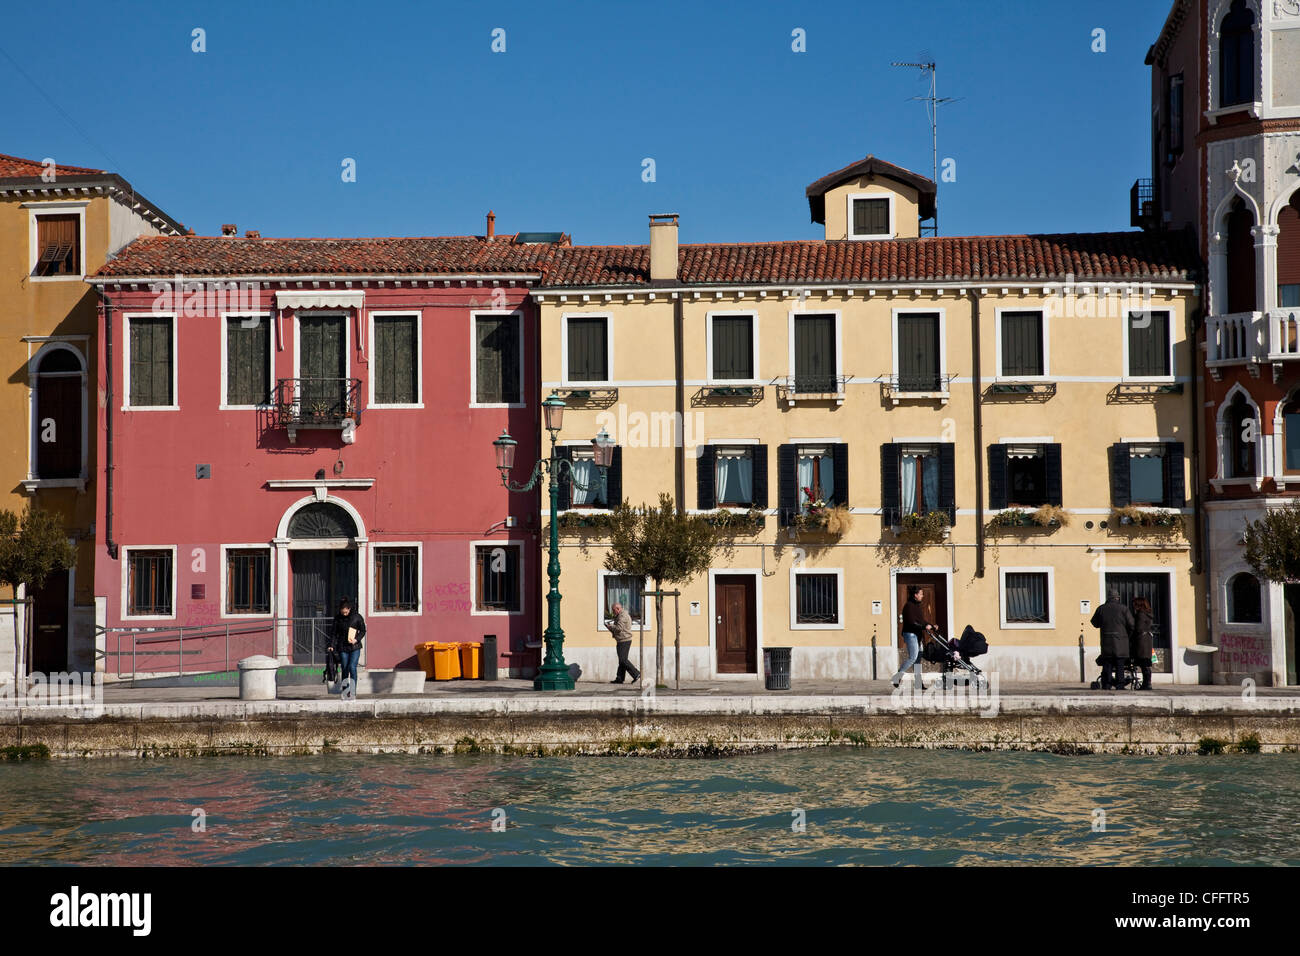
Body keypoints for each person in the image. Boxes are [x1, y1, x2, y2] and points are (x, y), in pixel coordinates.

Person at [1090, 589, 1133, 690]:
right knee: (1120, 664)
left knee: (1107, 664)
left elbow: (1094, 623)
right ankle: (1120, 684)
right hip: (1121, 642)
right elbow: (1132, 625)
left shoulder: (1101, 608)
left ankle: (1107, 684)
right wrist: (1127, 636)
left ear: (1108, 598)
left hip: (1106, 641)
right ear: (1117, 598)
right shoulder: (1124, 609)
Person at [893, 586, 935, 690]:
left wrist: (932, 625)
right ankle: (896, 678)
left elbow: (921, 621)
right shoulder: (909, 606)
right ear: (915, 595)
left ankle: (918, 684)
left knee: (917, 660)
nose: (922, 595)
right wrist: (924, 626)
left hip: (918, 635)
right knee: (913, 657)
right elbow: (912, 623)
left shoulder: (917, 606)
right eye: (920, 594)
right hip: (910, 634)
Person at [327, 598, 366, 698]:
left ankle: (353, 691)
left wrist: (356, 639)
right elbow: (334, 633)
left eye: (346, 611)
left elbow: (363, 630)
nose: (344, 613)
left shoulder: (357, 617)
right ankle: (346, 690)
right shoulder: (337, 619)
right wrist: (331, 645)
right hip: (342, 647)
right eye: (342, 612)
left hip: (354, 647)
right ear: (340, 610)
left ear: (349, 609)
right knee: (344, 668)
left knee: (352, 667)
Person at [606, 602, 641, 684]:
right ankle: (620, 678)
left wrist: (610, 626)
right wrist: (610, 628)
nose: (613, 612)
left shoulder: (623, 616)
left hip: (624, 640)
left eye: (613, 610)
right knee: (621, 660)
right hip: (622, 640)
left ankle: (636, 673)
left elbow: (619, 628)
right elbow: (618, 629)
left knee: (623, 660)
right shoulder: (620, 615)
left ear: (618, 609)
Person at [1130, 596, 1155, 691]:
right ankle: (1147, 683)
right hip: (1147, 640)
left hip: (1141, 641)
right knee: (1146, 664)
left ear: (1139, 605)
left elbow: (1138, 628)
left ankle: (1146, 684)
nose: (1133, 606)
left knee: (1144, 664)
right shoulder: (1148, 614)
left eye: (1135, 604)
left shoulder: (1140, 615)